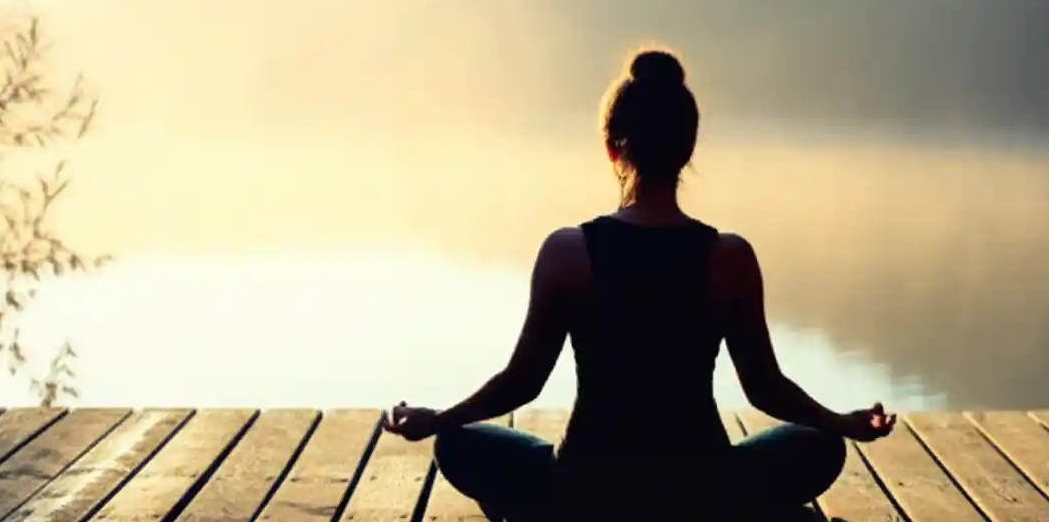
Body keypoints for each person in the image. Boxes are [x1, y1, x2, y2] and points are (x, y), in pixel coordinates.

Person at [384, 48, 896, 521]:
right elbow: (765, 388)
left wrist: (439, 419)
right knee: (821, 444)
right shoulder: (729, 257)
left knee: (456, 444)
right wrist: (842, 423)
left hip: (585, 487)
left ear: (612, 150)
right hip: (704, 487)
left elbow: (522, 382)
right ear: (687, 149)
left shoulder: (569, 252)